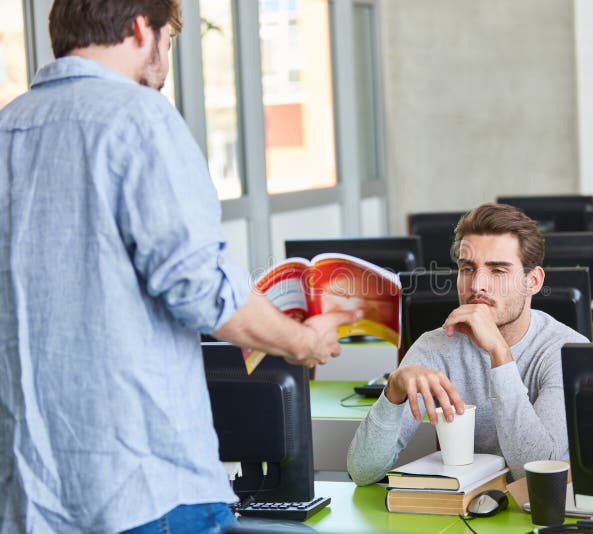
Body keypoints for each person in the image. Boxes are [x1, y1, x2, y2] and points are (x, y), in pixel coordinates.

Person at [0, 1, 360, 532]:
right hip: (144, 489)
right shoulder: (139, 118)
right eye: (167, 41)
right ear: (139, 29)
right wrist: (302, 342)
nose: (166, 63)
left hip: (28, 497)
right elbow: (200, 289)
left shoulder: (9, 127)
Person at [346, 203, 589, 484]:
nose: (477, 285)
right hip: (467, 505)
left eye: (498, 271)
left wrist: (499, 353)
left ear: (533, 281)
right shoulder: (435, 347)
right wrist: (393, 392)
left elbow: (536, 472)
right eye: (467, 268)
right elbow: (361, 471)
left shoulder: (566, 350)